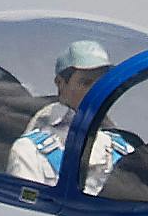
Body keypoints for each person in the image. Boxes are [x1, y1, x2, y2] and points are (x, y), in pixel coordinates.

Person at [9, 37, 135, 195]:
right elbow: (27, 204)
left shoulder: (123, 150)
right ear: (60, 83)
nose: (97, 90)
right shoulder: (29, 151)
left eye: (102, 83)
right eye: (86, 83)